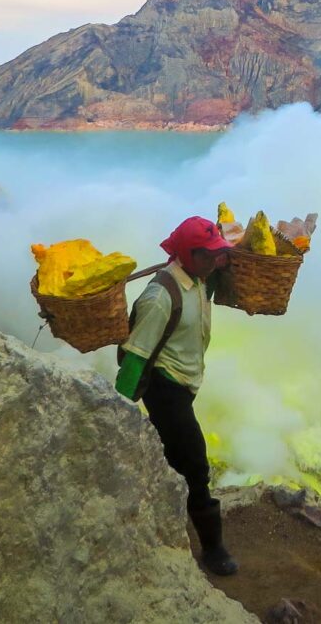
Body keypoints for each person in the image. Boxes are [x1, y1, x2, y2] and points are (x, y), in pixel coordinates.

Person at [114, 216, 238, 577]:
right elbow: (136, 356)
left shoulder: (198, 277)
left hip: (186, 383)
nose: (216, 261)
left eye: (217, 255)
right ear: (188, 254)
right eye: (209, 256)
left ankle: (155, 514)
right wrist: (118, 412)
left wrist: (225, 259)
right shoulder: (159, 298)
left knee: (172, 458)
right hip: (165, 387)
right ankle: (213, 549)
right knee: (196, 464)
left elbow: (212, 278)